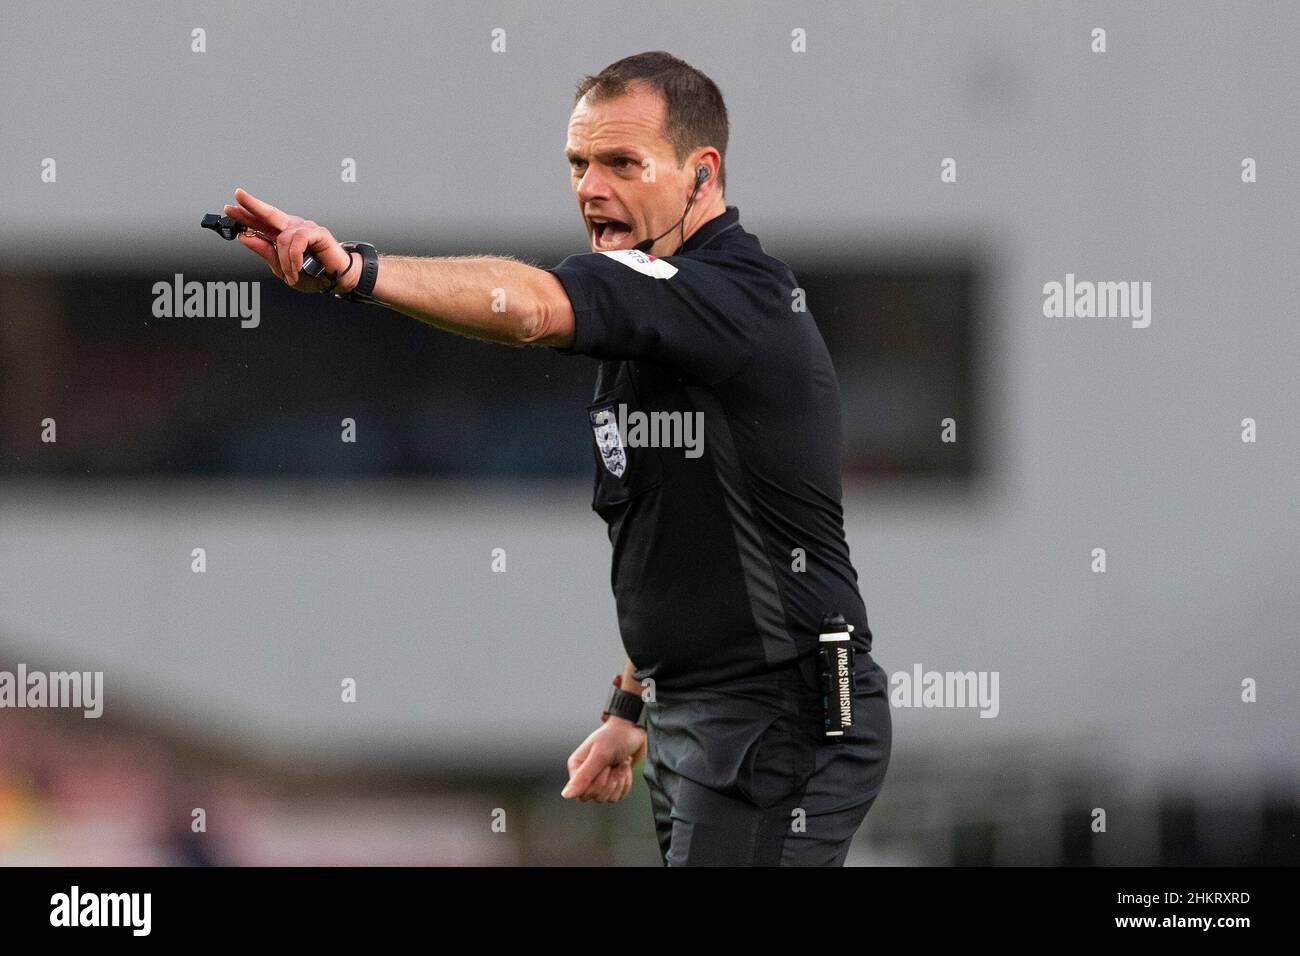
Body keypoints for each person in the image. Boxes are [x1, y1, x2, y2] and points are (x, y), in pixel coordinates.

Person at [222, 50, 891, 866]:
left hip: (781, 708)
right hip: (698, 712)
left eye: (620, 162)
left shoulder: (729, 294)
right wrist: (631, 705)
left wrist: (360, 272)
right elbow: (677, 545)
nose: (590, 187)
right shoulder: (653, 318)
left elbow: (532, 306)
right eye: (579, 163)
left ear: (701, 174)